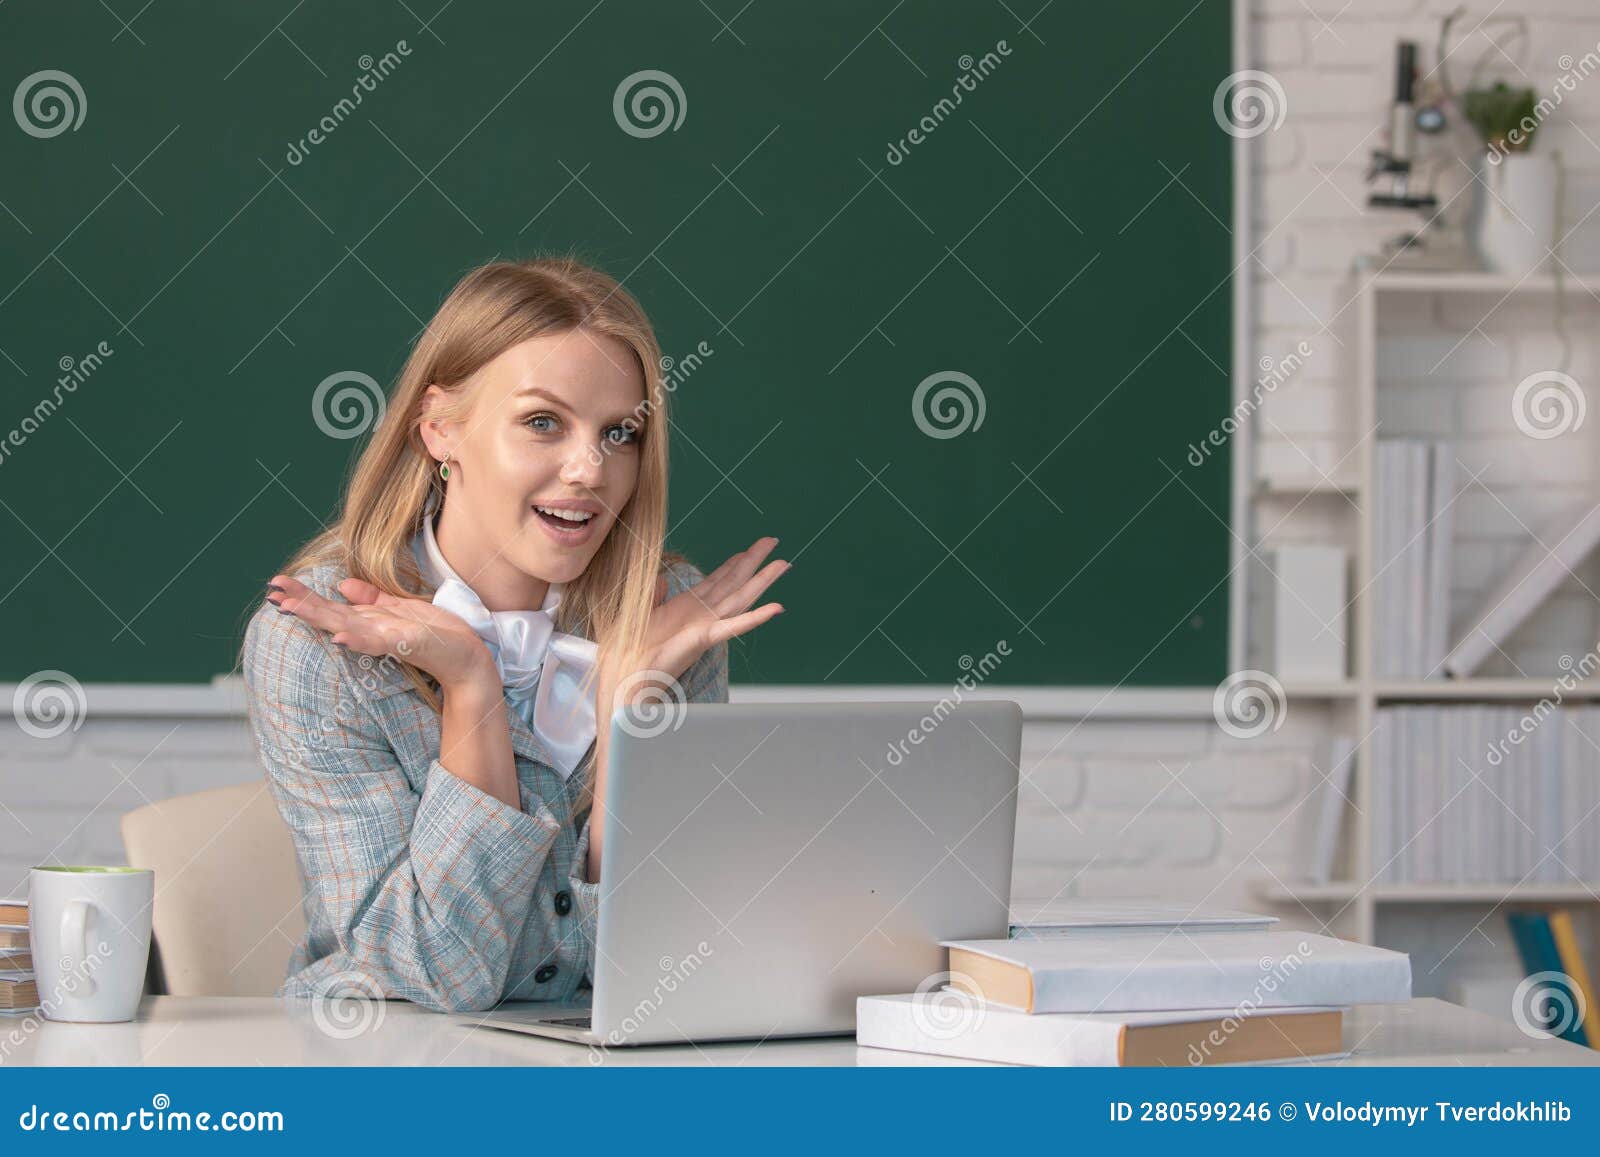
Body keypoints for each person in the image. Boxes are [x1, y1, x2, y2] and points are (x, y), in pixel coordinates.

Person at [239, 256, 789, 1013]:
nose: (589, 468)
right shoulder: (316, 645)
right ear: (440, 429)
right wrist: (471, 686)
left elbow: (673, 964)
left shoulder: (669, 622)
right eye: (542, 423)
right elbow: (433, 975)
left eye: (619, 432)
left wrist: (628, 724)